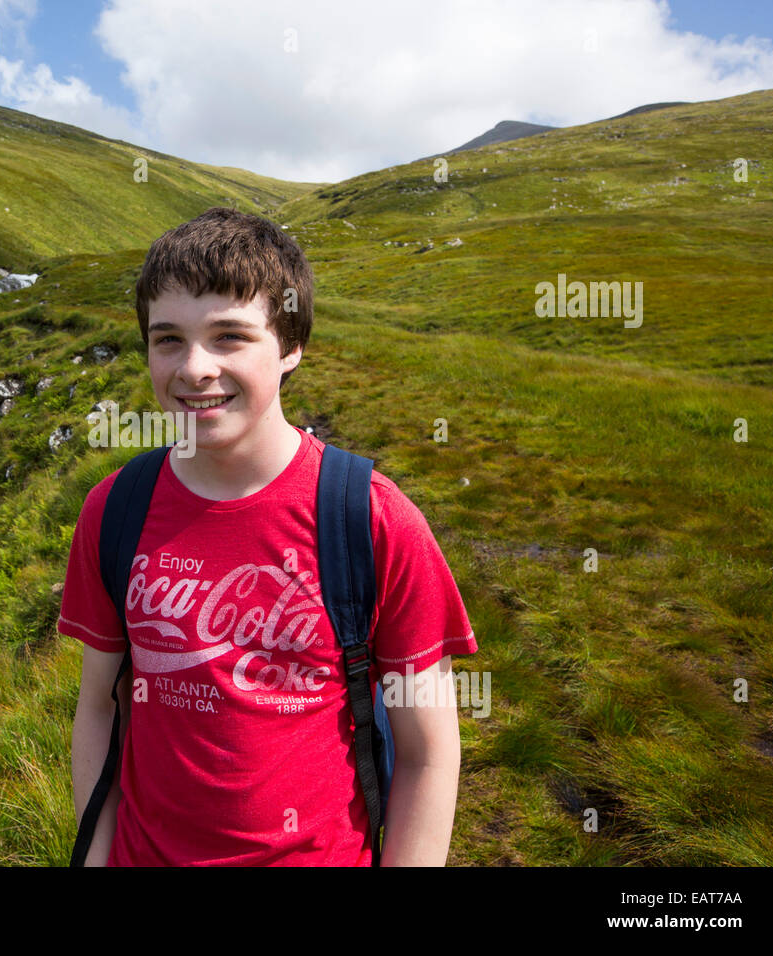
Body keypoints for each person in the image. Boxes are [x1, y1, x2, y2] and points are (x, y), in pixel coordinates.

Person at [58, 207, 478, 866]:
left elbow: (428, 753)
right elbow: (99, 710)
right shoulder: (115, 510)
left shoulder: (373, 521)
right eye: (168, 338)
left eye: (229, 336)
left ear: (290, 347)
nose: (194, 368)